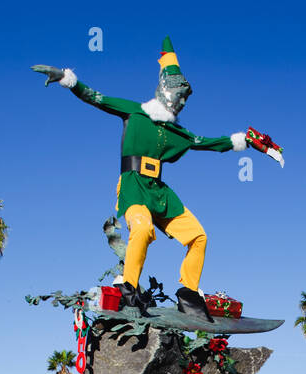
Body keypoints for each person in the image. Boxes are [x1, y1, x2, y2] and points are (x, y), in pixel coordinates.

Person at [31, 38, 283, 320]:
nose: (182, 102)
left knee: (198, 236)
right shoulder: (135, 111)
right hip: (134, 185)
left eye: (186, 99)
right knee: (142, 228)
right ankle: (128, 287)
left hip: (159, 192)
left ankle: (188, 293)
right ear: (164, 89)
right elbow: (96, 97)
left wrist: (249, 141)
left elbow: (211, 143)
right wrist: (67, 79)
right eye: (179, 95)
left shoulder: (178, 133)